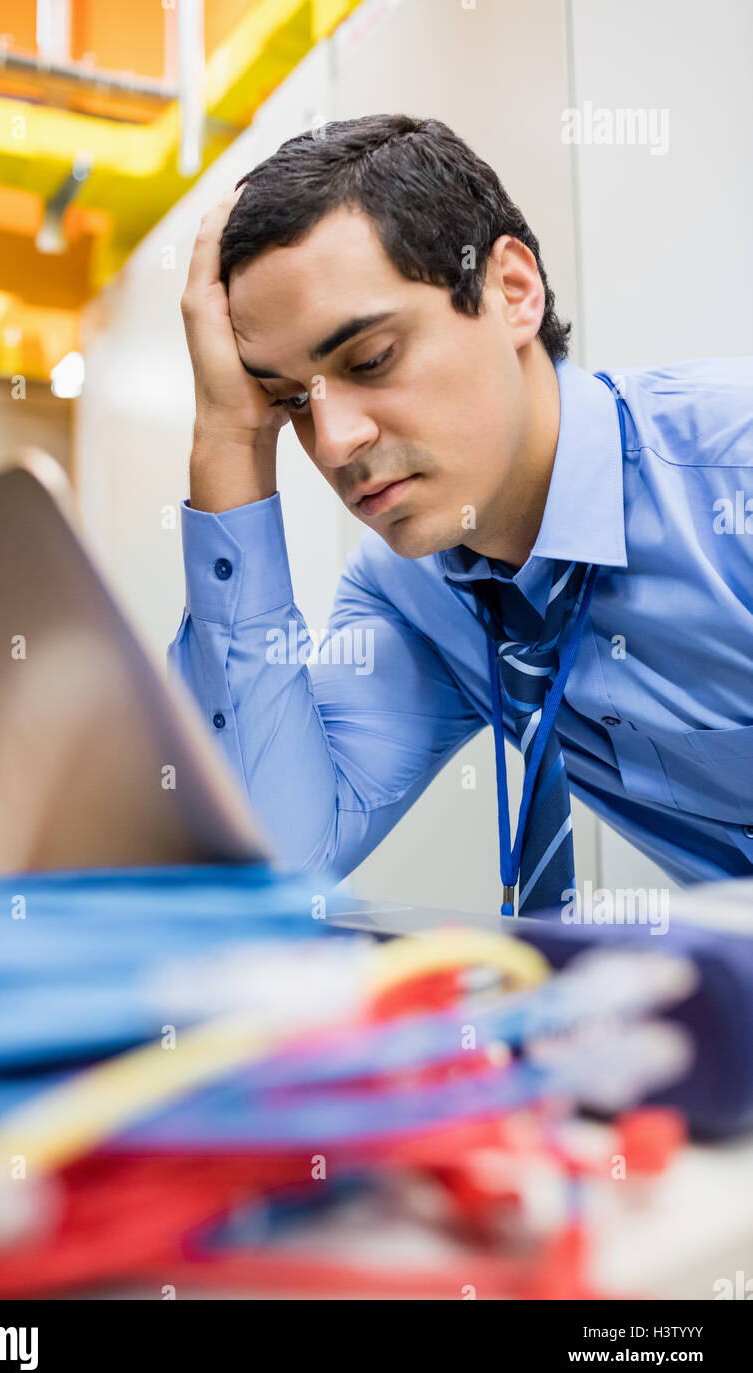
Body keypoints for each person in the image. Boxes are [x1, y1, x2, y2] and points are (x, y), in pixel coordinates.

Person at [171, 112, 753, 914]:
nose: (336, 443)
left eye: (371, 359)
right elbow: (278, 859)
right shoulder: (412, 595)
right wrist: (228, 438)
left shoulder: (736, 479)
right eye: (290, 402)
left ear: (512, 291)